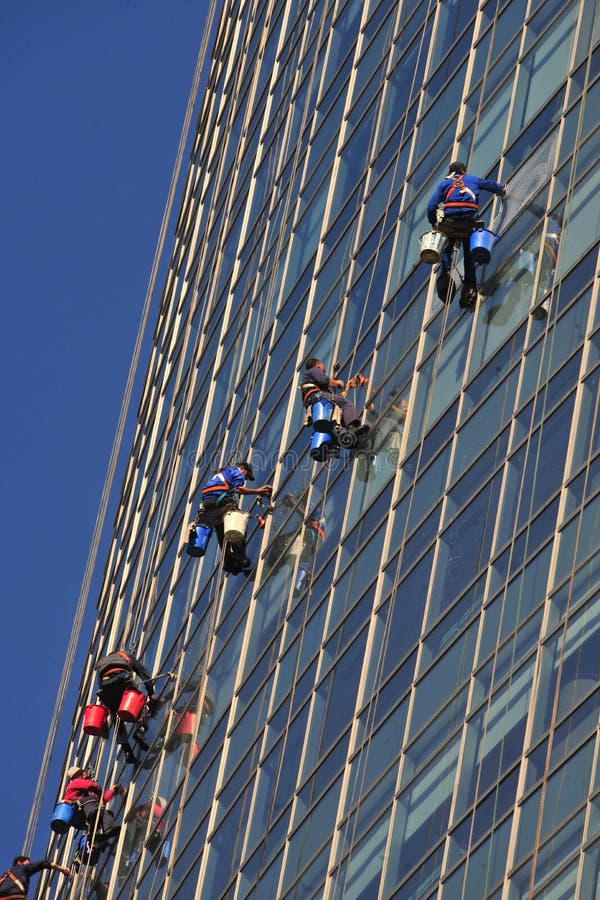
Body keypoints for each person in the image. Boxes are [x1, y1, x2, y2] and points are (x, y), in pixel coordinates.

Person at [427, 161, 506, 307]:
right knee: (468, 252)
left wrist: (434, 222)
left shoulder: (444, 184)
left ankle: (445, 273)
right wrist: (501, 190)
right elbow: (488, 184)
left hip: (451, 220)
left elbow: (431, 206)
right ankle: (469, 284)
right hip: (469, 220)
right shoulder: (472, 179)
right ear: (463, 171)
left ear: (451, 172)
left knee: (447, 247)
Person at [195, 461, 273, 574]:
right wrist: (258, 491)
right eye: (246, 475)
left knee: (222, 531)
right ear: (242, 469)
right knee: (239, 520)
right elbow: (238, 489)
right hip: (220, 502)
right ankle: (239, 555)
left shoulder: (222, 474)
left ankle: (228, 562)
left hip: (208, 506)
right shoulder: (237, 473)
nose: (245, 479)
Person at [95, 648, 155, 764]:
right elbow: (143, 673)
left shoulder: (102, 662)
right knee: (141, 706)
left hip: (106, 687)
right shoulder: (125, 656)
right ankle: (140, 731)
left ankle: (126, 750)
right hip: (122, 680)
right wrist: (151, 692)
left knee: (116, 715)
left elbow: (101, 685)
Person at [300, 359, 369, 441]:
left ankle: (345, 437)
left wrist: (348, 387)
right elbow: (325, 380)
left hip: (315, 399)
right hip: (318, 396)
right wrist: (338, 382)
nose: (323, 368)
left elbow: (335, 397)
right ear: (318, 365)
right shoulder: (314, 370)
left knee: (337, 416)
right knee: (346, 405)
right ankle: (352, 428)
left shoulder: (312, 383)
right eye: (322, 365)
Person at [61, 766, 125, 839]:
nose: (86, 772)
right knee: (93, 804)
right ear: (80, 775)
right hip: (79, 810)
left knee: (106, 813)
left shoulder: (85, 795)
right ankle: (93, 814)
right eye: (84, 771)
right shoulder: (76, 782)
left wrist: (112, 790)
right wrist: (97, 788)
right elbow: (91, 786)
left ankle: (108, 830)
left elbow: (101, 801)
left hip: (82, 817)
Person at [0, 856, 70, 897]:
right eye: (27, 863)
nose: (29, 865)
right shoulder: (22, 868)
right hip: (14, 896)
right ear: (19, 863)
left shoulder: (4, 877)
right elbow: (43, 863)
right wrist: (63, 869)